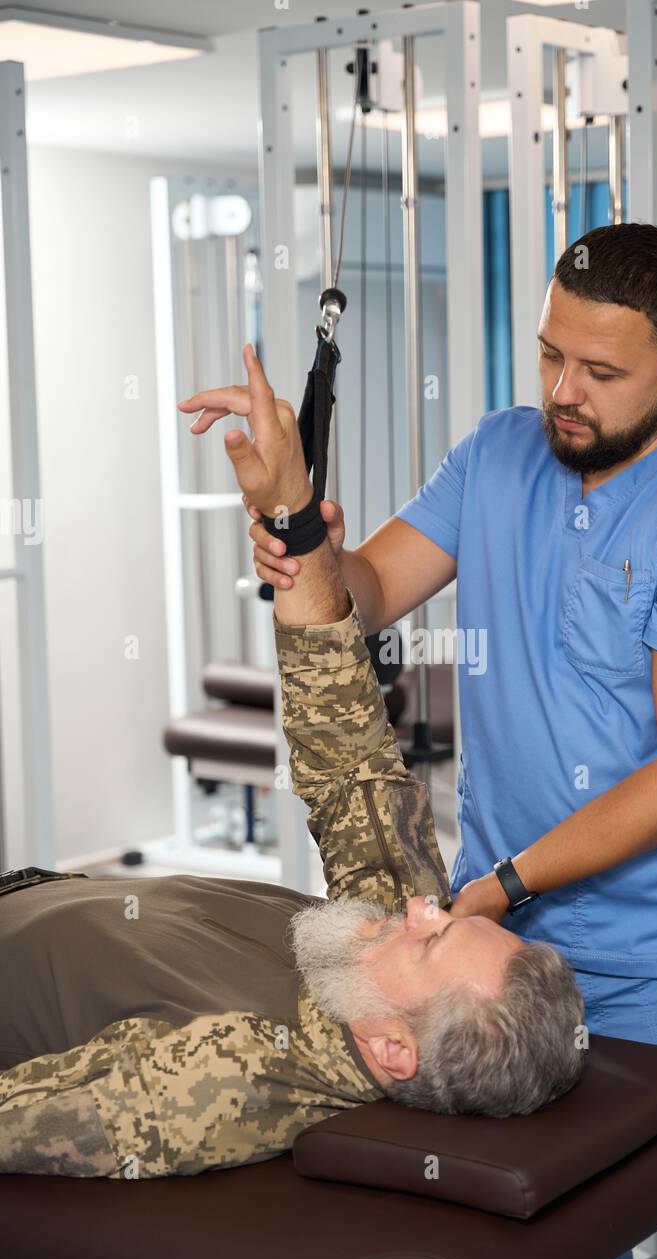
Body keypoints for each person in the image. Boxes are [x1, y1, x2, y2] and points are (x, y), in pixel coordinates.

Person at [210, 223, 657, 1259]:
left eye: (598, 370)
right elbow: (364, 594)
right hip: (502, 976)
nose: (562, 390)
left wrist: (497, 888)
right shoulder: (494, 453)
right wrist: (295, 520)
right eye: (548, 355)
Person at [0, 344, 585, 1181]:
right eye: (450, 920)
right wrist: (293, 514)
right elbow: (345, 741)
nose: (427, 910)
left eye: (431, 942)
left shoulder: (221, 1084)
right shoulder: (383, 941)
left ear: (392, 1050)